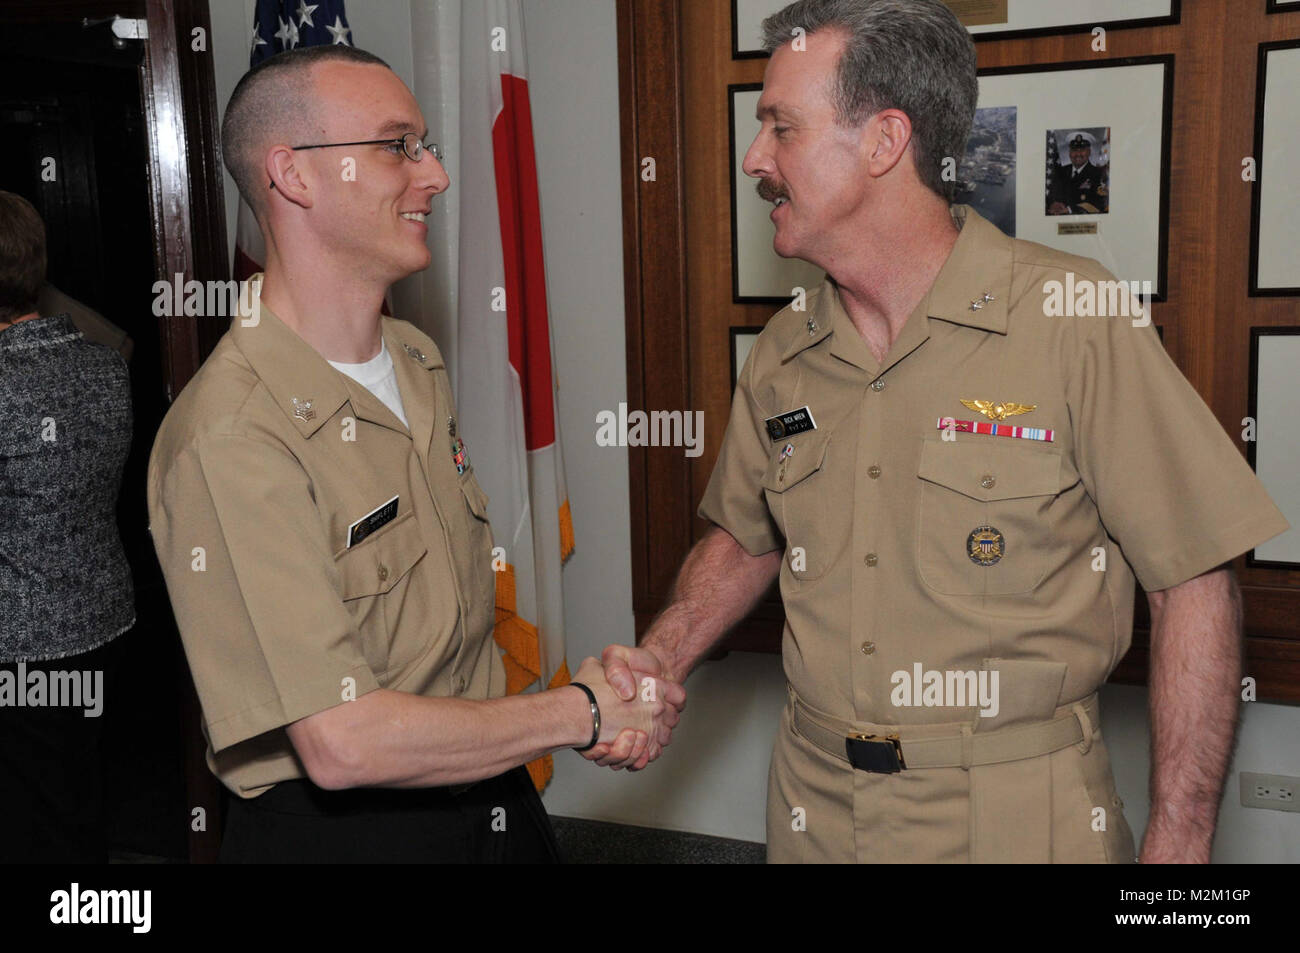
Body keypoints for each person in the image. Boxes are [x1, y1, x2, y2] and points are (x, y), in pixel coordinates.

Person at [589, 0, 1288, 863]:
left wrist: (1179, 845)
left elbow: (1193, 580)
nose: (754, 158)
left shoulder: (1075, 318)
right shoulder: (786, 348)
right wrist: (659, 658)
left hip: (1015, 816)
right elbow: (745, 536)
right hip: (814, 807)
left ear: (884, 141)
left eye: (782, 127)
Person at [146, 45, 681, 863]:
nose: (435, 174)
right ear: (294, 174)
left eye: (425, 145)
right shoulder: (231, 435)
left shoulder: (415, 359)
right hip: (349, 837)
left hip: (489, 794)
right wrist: (583, 710)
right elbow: (341, 740)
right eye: (398, 146)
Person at [0, 191, 135, 862]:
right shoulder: (106, 362)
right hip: (105, 623)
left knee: (32, 824)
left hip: (21, 647)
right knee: (78, 803)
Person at [1048, 131, 1109, 215]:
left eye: (1082, 150)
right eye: (1074, 150)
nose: (1078, 154)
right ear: (1069, 152)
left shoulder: (1098, 174)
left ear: (1089, 152)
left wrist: (1070, 210)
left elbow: (1101, 202)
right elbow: (1051, 194)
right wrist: (1053, 204)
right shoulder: (1060, 171)